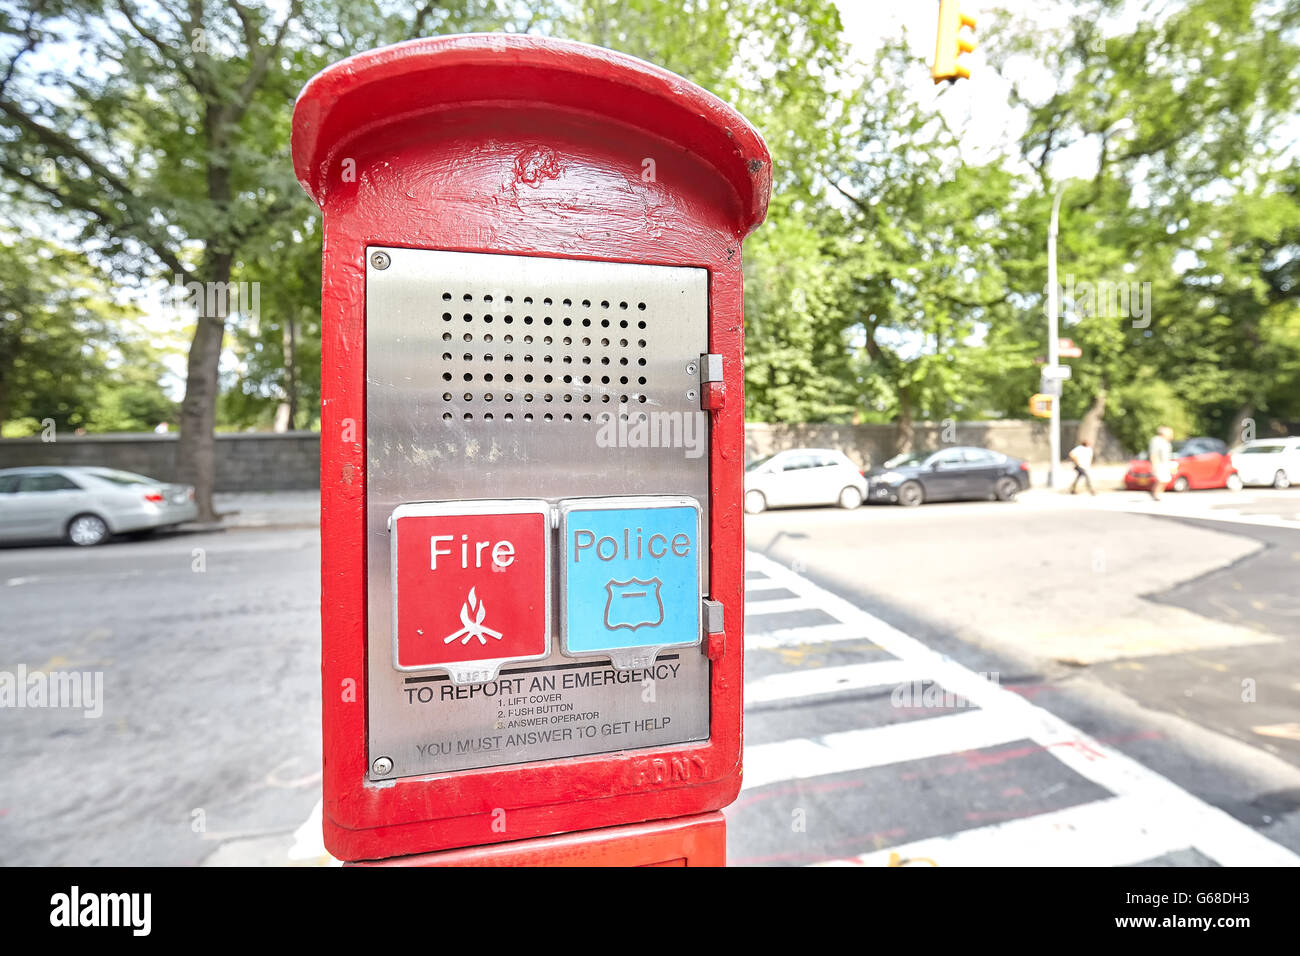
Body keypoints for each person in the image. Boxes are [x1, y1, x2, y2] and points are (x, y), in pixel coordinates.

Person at [1148, 425, 1174, 500]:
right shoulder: (1156, 440)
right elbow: (1154, 454)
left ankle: (1158, 493)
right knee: (1161, 479)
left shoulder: (1167, 443)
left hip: (1165, 463)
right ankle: (1156, 494)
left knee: (1166, 479)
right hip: (1159, 464)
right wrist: (1154, 465)